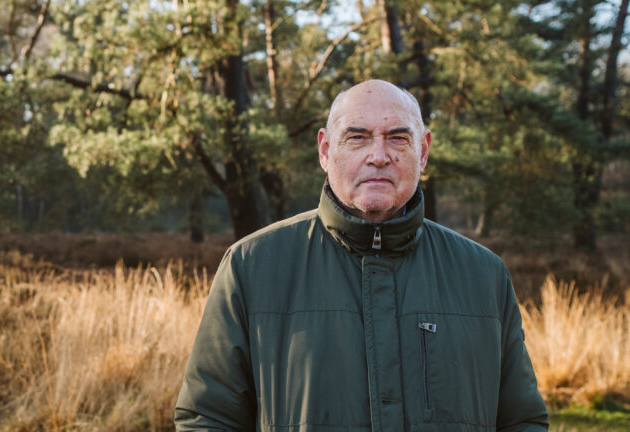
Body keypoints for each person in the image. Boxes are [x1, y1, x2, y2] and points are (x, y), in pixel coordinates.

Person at [175, 80, 548, 431]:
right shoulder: (251, 267)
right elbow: (208, 417)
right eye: (358, 138)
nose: (379, 156)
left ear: (423, 152)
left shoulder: (483, 275)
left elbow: (522, 419)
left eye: (398, 139)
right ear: (325, 151)